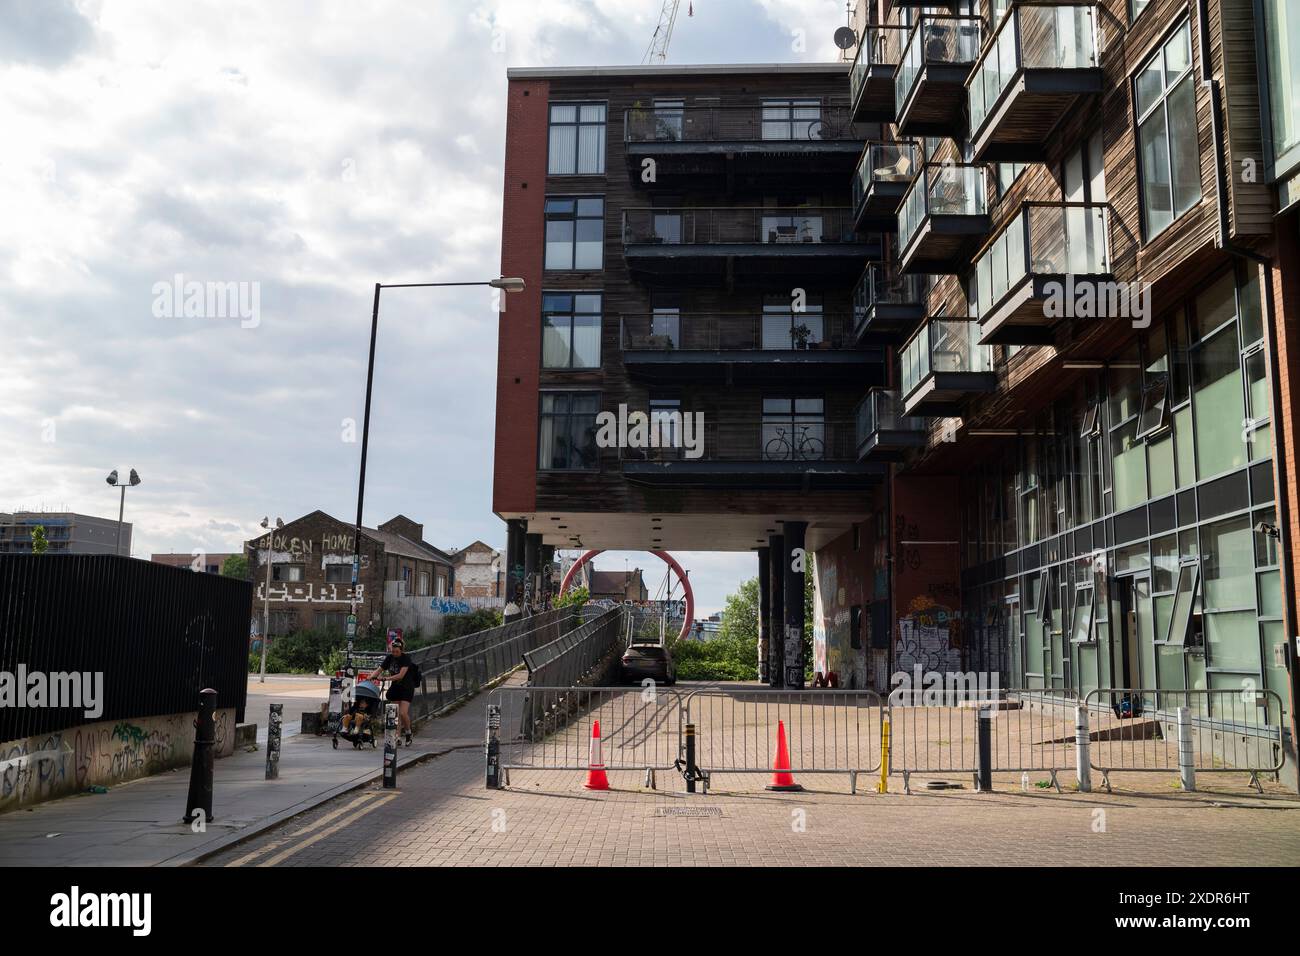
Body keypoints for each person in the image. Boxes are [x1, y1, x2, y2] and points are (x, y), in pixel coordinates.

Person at [377, 637, 415, 745]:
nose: (394, 653)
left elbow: (400, 675)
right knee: (395, 713)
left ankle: (408, 732)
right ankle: (397, 736)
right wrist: (371, 677)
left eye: (397, 651)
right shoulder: (390, 658)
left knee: (403, 713)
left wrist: (385, 678)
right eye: (392, 651)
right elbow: (379, 669)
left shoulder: (406, 658)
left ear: (401, 650)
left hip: (407, 687)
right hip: (396, 688)